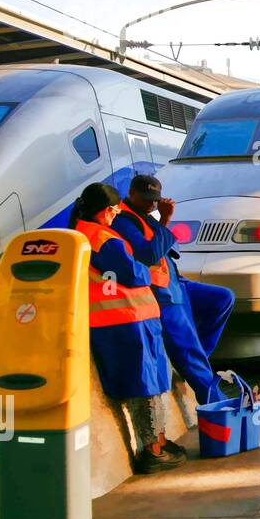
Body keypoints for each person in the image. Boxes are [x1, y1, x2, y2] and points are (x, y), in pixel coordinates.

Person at [69, 182, 183, 474]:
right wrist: (150, 271)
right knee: (143, 385)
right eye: (115, 208)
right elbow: (131, 272)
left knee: (151, 380)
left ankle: (158, 441)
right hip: (127, 320)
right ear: (107, 211)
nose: (118, 212)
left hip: (122, 320)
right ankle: (151, 451)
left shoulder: (80, 234)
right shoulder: (101, 237)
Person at [112, 174, 234, 406]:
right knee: (190, 353)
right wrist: (165, 219)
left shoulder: (146, 217)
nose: (152, 204)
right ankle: (221, 409)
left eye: (155, 200)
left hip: (177, 284)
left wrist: (160, 222)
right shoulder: (123, 221)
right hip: (161, 293)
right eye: (147, 198)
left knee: (223, 299)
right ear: (131, 194)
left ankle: (196, 359)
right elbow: (149, 254)